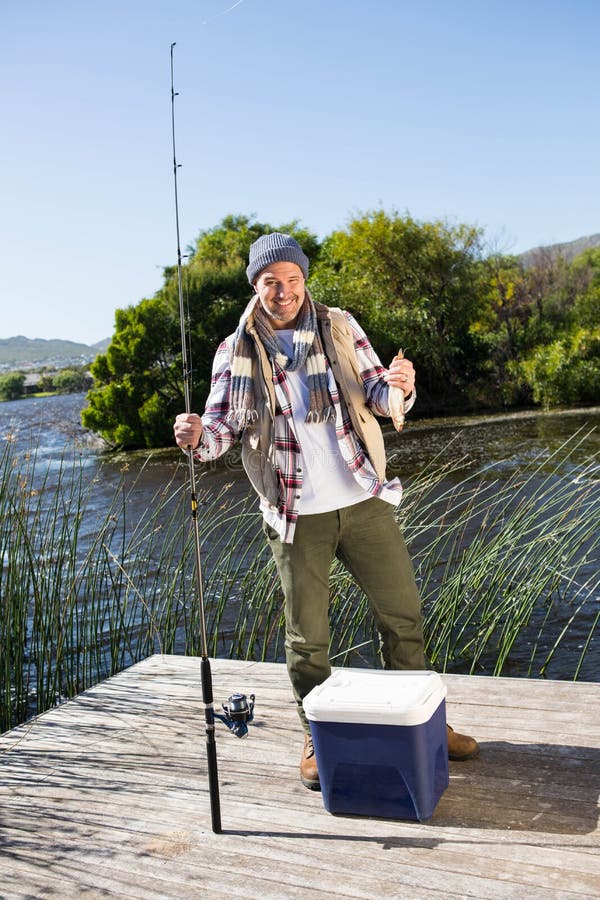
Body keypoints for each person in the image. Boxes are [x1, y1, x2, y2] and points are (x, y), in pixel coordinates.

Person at [174, 232, 479, 790]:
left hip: (363, 499)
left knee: (402, 616)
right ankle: (318, 736)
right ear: (256, 286)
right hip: (294, 515)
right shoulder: (233, 351)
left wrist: (399, 388)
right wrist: (195, 435)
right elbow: (221, 429)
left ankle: (427, 723)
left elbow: (378, 394)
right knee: (307, 639)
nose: (283, 291)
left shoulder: (339, 325)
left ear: (304, 281)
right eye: (271, 282)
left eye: (292, 280)